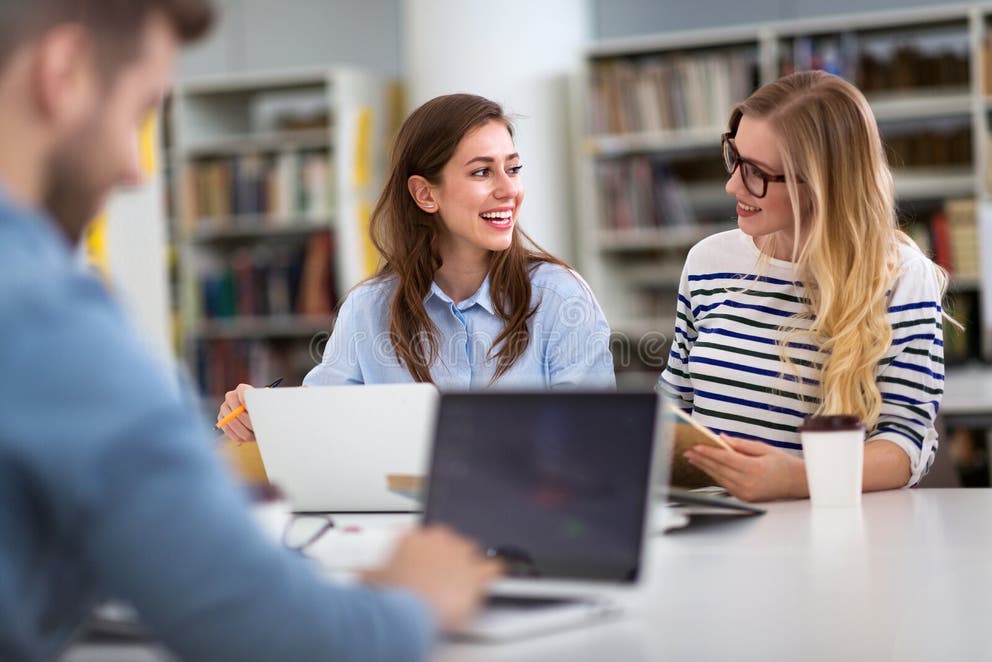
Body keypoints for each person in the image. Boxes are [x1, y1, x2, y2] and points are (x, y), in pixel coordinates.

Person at [0, 2, 502, 660]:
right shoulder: (44, 314)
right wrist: (417, 601)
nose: (136, 169)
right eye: (139, 114)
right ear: (62, 74)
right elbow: (276, 634)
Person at [219, 93, 614, 442]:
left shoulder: (560, 298)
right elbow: (318, 427)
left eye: (512, 168)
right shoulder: (368, 308)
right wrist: (259, 416)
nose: (509, 190)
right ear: (425, 194)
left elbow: (595, 443)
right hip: (399, 522)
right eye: (482, 171)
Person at [658, 70, 946, 503]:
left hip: (829, 534)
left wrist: (796, 478)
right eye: (734, 158)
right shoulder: (706, 263)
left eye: (756, 173)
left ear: (822, 183)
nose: (732, 184)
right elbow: (673, 402)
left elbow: (905, 443)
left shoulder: (902, 278)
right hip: (708, 530)